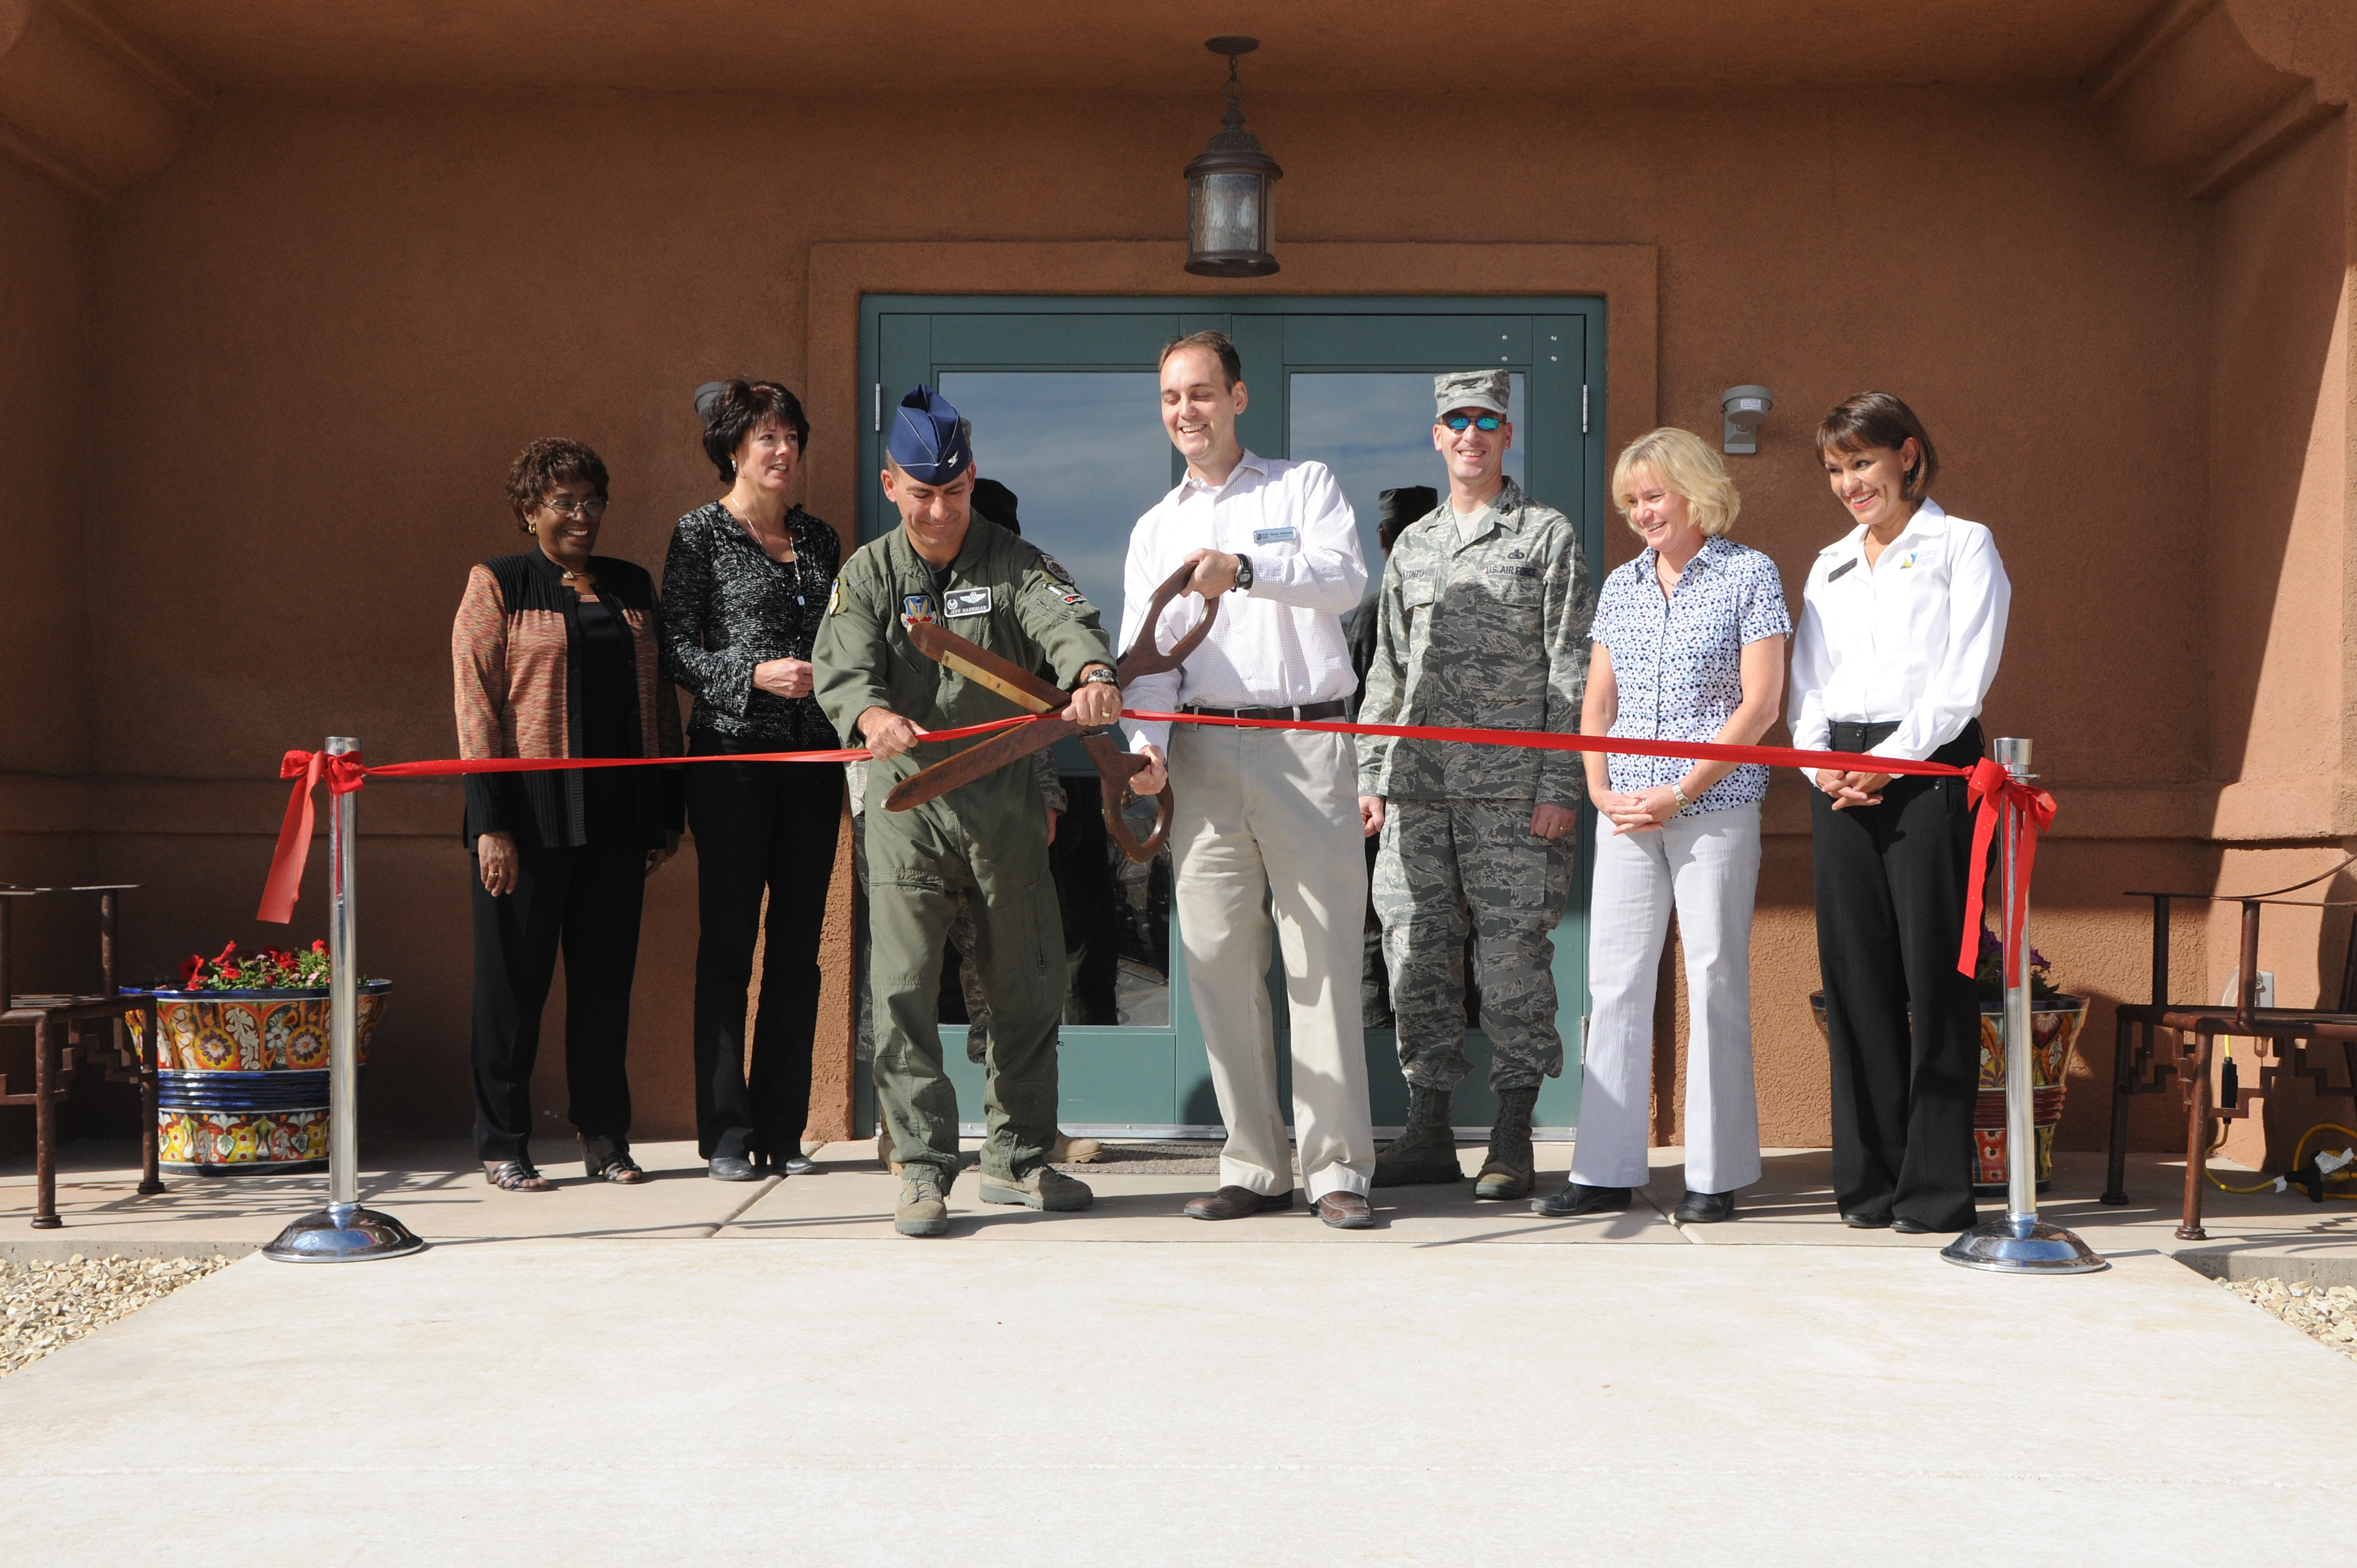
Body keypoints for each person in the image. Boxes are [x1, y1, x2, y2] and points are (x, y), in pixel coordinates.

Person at [813, 384, 1121, 1238]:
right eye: (922, 493)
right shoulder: (867, 574)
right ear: (890, 486)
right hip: (907, 803)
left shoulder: (1015, 562)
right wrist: (871, 717)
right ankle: (920, 1167)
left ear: (972, 479)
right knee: (904, 990)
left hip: (1002, 803)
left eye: (953, 491)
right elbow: (843, 667)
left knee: (1027, 984)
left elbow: (1063, 623)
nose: (940, 510)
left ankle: (1017, 1160)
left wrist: (1091, 674)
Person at [1120, 330, 1379, 1229]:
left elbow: (1346, 581)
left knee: (1322, 964)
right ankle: (1254, 1164)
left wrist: (1248, 570)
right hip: (1201, 758)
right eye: (1170, 398)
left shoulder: (1302, 487)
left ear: (1236, 398)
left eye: (1200, 393)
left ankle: (1337, 1169)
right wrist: (1146, 747)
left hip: (1308, 743)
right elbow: (1148, 661)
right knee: (1217, 965)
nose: (1184, 411)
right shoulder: (1155, 527)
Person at [1531, 428, 1789, 1224]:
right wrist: (1598, 788)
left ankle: (1715, 1174)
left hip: (1713, 808)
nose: (1642, 512)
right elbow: (1598, 700)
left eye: (1654, 495)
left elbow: (1761, 704)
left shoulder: (1749, 573)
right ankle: (1603, 1169)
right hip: (1625, 814)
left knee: (1713, 980)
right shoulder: (1622, 585)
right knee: (1613, 984)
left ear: (1696, 492)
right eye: (1632, 501)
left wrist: (1680, 790)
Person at [1358, 372, 1595, 1201]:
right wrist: (1370, 775)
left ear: (1506, 434)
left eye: (1485, 421)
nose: (1470, 434)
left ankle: (1511, 1133)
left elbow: (1571, 668)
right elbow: (1387, 669)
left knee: (1512, 962)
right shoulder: (1413, 545)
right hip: (1416, 790)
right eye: (1455, 420)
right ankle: (1426, 1129)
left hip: (1512, 795)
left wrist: (1560, 780)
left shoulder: (1545, 536)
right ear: (1436, 435)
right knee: (1415, 953)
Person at [1789, 392, 2010, 1234]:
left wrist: (1889, 763)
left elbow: (1963, 680)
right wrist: (1821, 765)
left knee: (1936, 978)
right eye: (1835, 469)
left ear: (1906, 456)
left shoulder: (1963, 544)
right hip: (1840, 778)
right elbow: (1809, 682)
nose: (1849, 483)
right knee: (1856, 980)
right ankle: (1869, 1186)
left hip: (1931, 771)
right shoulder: (1829, 562)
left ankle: (1934, 1192)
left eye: (1862, 463)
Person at [453, 438, 682, 1191]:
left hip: (615, 823)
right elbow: (476, 708)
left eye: (593, 501)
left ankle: (605, 1137)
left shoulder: (630, 584)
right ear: (529, 511)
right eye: (564, 503)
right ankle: (502, 1143)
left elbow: (659, 702)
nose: (582, 516)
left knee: (604, 990)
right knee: (511, 993)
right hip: (528, 823)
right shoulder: (498, 583)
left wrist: (664, 813)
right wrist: (490, 823)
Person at [661, 380, 843, 1183]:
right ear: (731, 448)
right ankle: (727, 1134)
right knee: (730, 947)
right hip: (730, 760)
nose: (783, 451)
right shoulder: (698, 533)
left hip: (812, 763)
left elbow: (846, 639)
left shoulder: (820, 537)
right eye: (767, 437)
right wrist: (751, 675)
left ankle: (782, 1130)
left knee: (798, 951)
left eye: (791, 436)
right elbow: (675, 647)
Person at [1345, 485, 1435, 1033]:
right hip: (1397, 794)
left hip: (1376, 793)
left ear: (1382, 538)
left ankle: (1380, 1045)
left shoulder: (1365, 616)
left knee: (1377, 932)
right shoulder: (1380, 614)